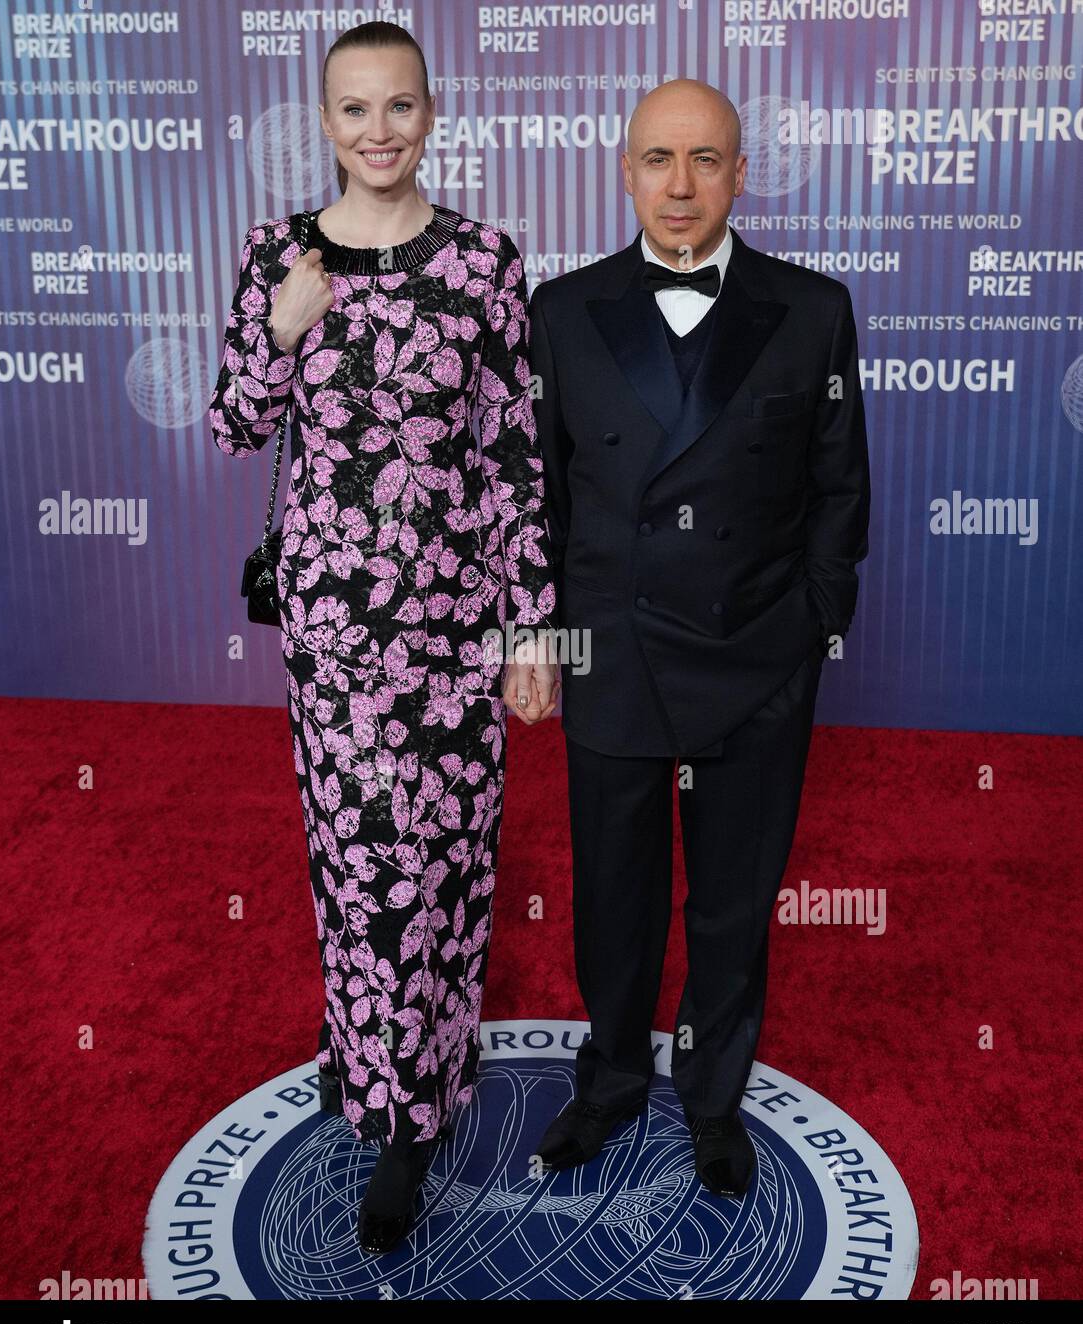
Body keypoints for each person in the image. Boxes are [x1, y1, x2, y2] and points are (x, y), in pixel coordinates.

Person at [208, 21, 559, 1254]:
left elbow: (515, 455)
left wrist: (532, 630)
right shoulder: (275, 258)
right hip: (333, 627)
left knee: (451, 859)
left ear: (431, 114)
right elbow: (234, 424)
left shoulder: (481, 264)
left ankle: (424, 1082)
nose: (376, 131)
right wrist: (284, 327)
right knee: (359, 861)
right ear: (322, 122)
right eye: (353, 109)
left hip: (458, 617)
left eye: (397, 106)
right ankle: (378, 1075)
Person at [527, 80, 871, 1197]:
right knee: (610, 894)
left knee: (730, 896)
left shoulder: (811, 309)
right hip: (609, 653)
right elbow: (541, 497)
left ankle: (712, 1099)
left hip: (757, 656)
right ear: (624, 171)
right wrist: (545, 635)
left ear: (738, 171)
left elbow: (837, 489)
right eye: (658, 160)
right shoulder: (561, 310)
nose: (680, 186)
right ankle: (611, 1081)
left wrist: (812, 619)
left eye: (705, 159)